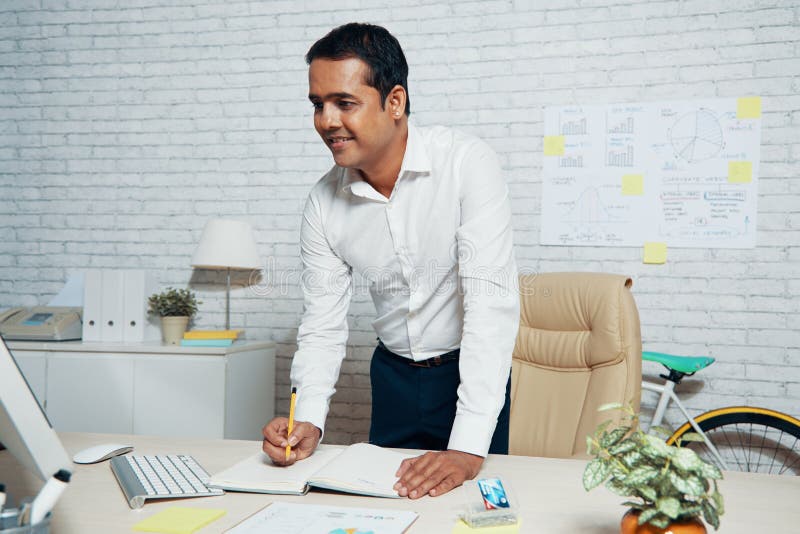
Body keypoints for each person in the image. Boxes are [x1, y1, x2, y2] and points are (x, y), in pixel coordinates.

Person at [262, 22, 519, 500]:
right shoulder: (322, 202)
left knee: (470, 510)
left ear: (395, 102)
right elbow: (322, 322)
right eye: (317, 104)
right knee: (387, 508)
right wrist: (308, 420)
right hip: (394, 377)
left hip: (468, 374)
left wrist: (465, 447)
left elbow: (491, 306)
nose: (326, 120)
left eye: (344, 102)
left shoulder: (467, 164)